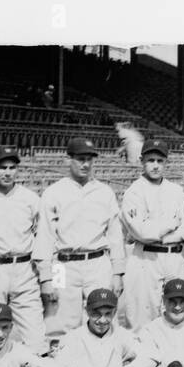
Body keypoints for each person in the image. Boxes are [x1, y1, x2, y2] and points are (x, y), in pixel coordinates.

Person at [39, 136, 126, 347]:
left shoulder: (104, 192)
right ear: (69, 159)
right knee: (60, 321)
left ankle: (102, 365)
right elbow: (45, 236)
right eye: (80, 158)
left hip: (97, 261)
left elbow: (115, 235)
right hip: (63, 263)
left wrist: (117, 273)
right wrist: (46, 278)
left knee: (102, 315)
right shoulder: (54, 192)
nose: (85, 164)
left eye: (89, 159)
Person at [0, 145, 51, 354]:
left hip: (24, 268)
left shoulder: (31, 199)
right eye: (2, 167)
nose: (7, 173)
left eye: (12, 167)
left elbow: (45, 240)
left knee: (36, 336)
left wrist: (48, 278)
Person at [120, 138, 184, 331]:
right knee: (143, 316)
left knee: (180, 312)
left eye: (160, 161)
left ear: (166, 162)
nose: (155, 165)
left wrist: (169, 235)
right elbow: (142, 232)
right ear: (142, 161)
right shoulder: (133, 192)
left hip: (174, 256)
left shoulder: (176, 191)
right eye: (151, 160)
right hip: (146, 258)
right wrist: (172, 223)